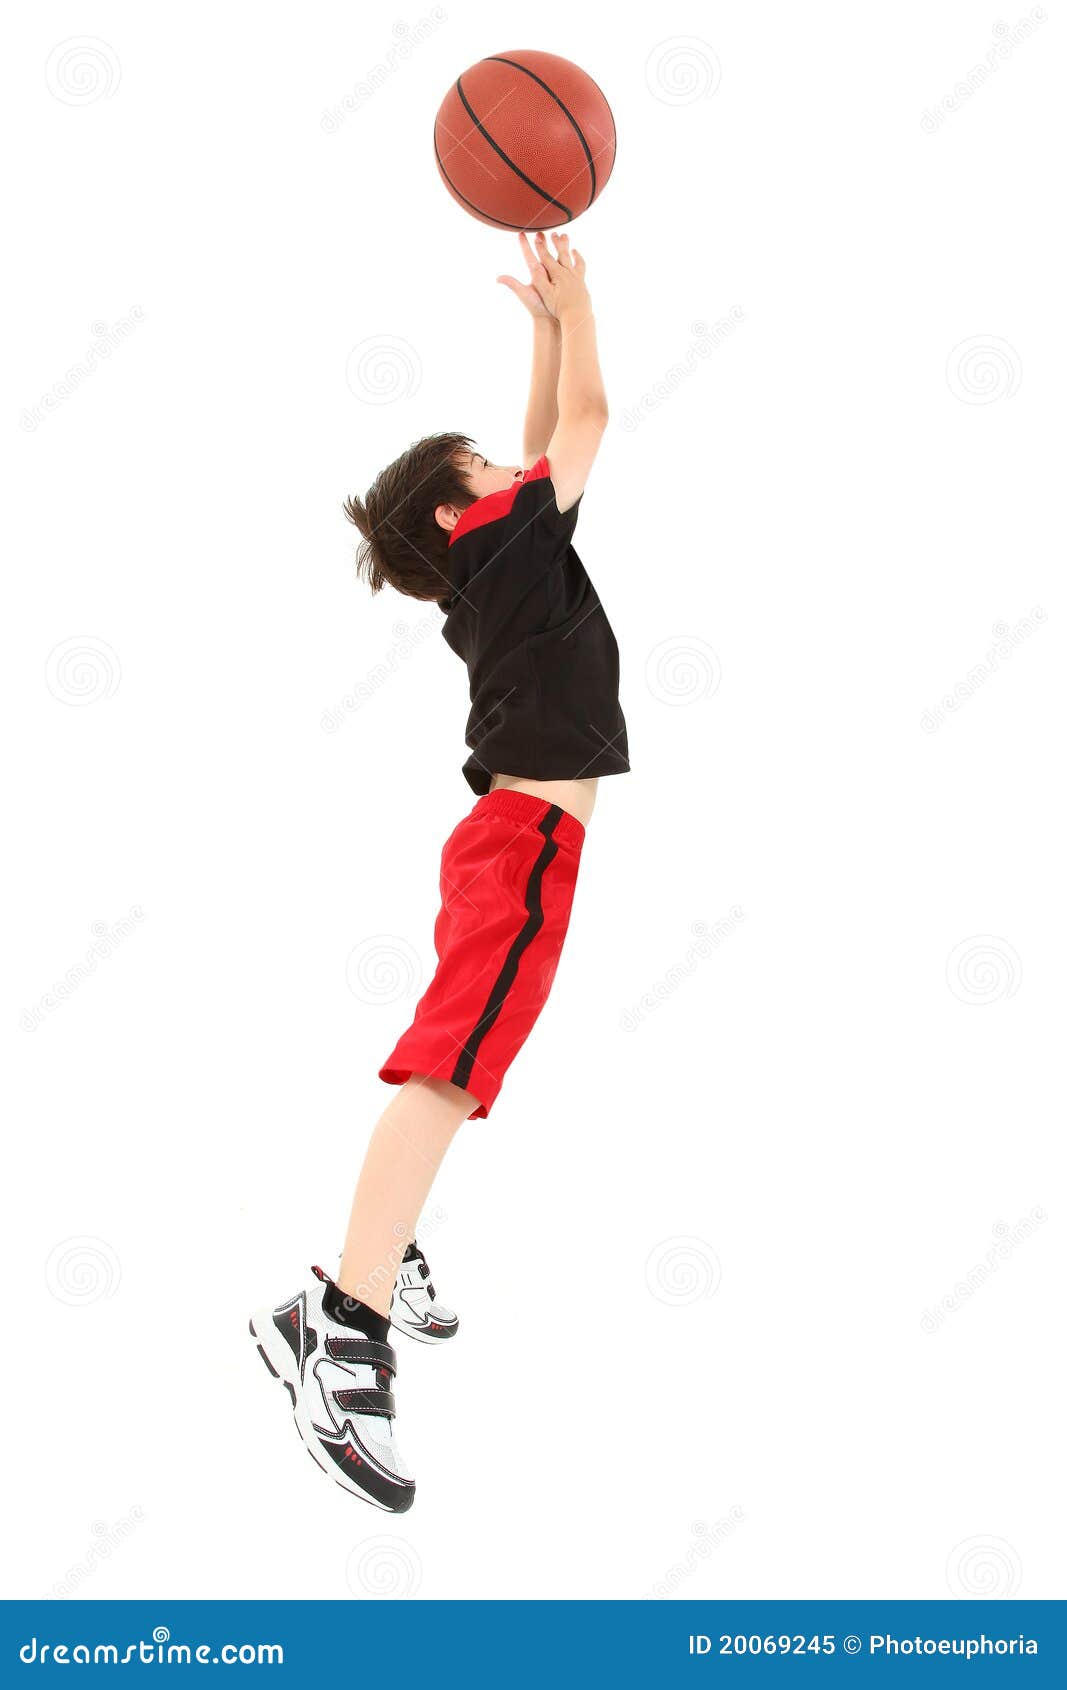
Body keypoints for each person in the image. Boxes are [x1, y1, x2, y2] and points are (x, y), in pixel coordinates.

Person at [250, 232, 629, 1510]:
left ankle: (384, 1239)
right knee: (448, 1069)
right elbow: (588, 417)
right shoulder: (507, 547)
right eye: (482, 465)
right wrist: (580, 317)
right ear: (460, 508)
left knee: (459, 1062)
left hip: (518, 843)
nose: (510, 467)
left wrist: (537, 329)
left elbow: (535, 449)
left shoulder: (490, 557)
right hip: (523, 845)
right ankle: (338, 1319)